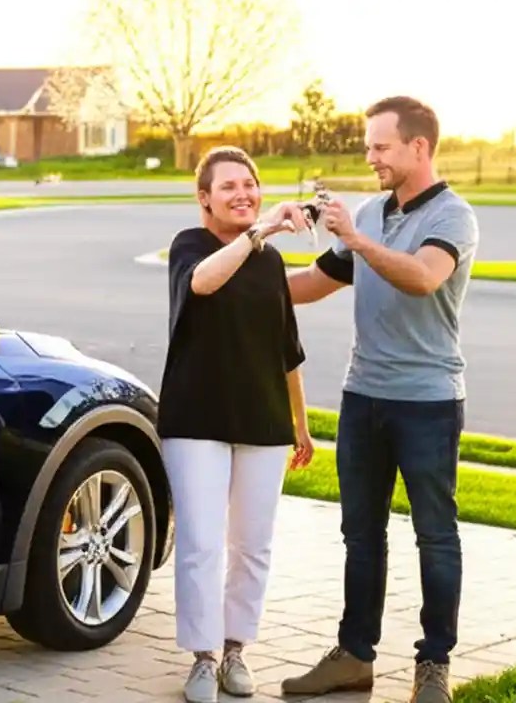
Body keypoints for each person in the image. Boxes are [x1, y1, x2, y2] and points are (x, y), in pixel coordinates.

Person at [276, 96, 479, 703]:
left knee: (434, 535)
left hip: (427, 402)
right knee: (360, 535)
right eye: (368, 146)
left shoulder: (454, 217)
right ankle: (355, 655)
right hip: (362, 397)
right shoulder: (369, 210)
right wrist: (241, 280)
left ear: (419, 147)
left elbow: (421, 277)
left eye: (381, 147)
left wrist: (357, 240)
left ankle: (434, 664)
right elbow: (317, 281)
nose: (370, 157)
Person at [157, 146, 315, 702]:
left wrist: (301, 421)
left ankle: (235, 651)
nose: (243, 194)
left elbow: (287, 349)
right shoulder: (190, 247)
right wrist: (261, 232)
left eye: (250, 184)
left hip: (264, 419)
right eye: (228, 187)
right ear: (205, 199)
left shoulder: (271, 262)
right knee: (201, 542)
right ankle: (201, 657)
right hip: (195, 417)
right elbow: (203, 284)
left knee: (252, 544)